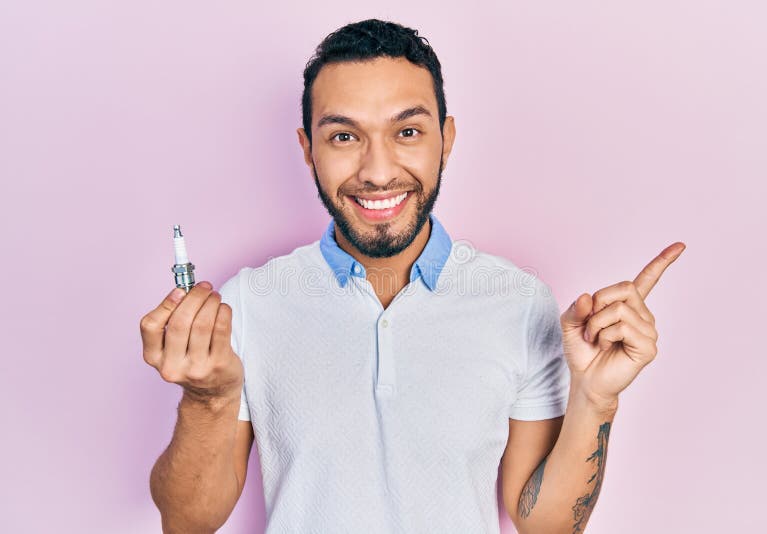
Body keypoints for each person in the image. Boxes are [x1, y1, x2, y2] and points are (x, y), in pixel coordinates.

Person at [140, 18, 685, 534]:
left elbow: (543, 526)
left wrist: (596, 399)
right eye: (344, 137)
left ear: (446, 139)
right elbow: (188, 523)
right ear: (308, 150)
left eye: (406, 131)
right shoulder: (249, 303)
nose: (378, 173)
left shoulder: (519, 304)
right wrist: (208, 399)